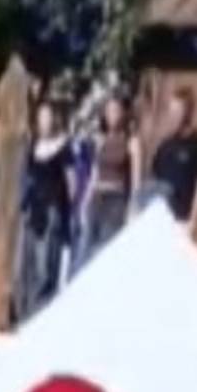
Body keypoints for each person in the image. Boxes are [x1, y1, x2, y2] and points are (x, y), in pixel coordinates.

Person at [16, 96, 73, 318]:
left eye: (47, 117)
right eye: (41, 117)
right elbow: (29, 178)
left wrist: (70, 212)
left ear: (55, 119)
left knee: (46, 265)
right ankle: (27, 311)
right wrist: (24, 205)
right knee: (27, 264)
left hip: (53, 209)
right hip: (34, 210)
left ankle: (43, 310)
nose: (44, 121)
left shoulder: (64, 146)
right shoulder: (34, 146)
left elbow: (70, 181)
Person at [141, 83, 197, 231]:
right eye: (171, 110)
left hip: (182, 218)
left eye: (177, 111)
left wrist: (193, 219)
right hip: (159, 216)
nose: (173, 115)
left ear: (188, 112)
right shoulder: (165, 145)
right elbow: (155, 179)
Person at [77, 91, 136, 263]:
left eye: (116, 110)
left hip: (116, 201)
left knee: (106, 253)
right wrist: (84, 202)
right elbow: (94, 174)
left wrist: (132, 209)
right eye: (109, 111)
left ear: (123, 113)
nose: (112, 115)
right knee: (84, 251)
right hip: (96, 198)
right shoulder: (101, 140)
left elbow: (136, 181)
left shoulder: (131, 142)